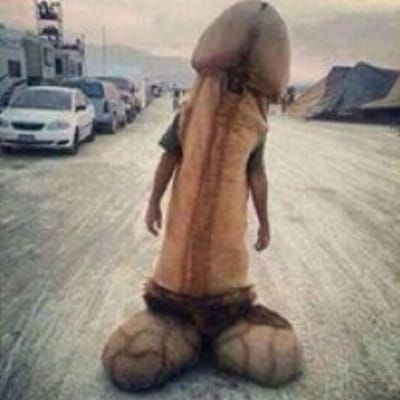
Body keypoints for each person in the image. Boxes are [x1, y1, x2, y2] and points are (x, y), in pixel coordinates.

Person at [102, 1, 302, 391]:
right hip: (174, 278)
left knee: (272, 354)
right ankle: (176, 318)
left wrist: (264, 221)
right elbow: (169, 157)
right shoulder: (189, 116)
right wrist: (153, 201)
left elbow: (257, 175)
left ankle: (224, 319)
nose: (235, 83)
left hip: (228, 283)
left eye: (244, 78)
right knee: (133, 363)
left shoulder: (253, 126)